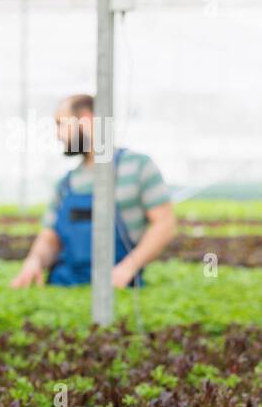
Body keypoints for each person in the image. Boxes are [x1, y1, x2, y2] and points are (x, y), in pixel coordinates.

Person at [11, 93, 176, 289]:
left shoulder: (137, 167)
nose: (57, 135)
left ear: (85, 120)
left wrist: (128, 268)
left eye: (60, 124)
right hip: (64, 286)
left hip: (117, 287)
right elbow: (50, 237)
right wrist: (35, 261)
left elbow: (165, 225)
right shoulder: (67, 183)